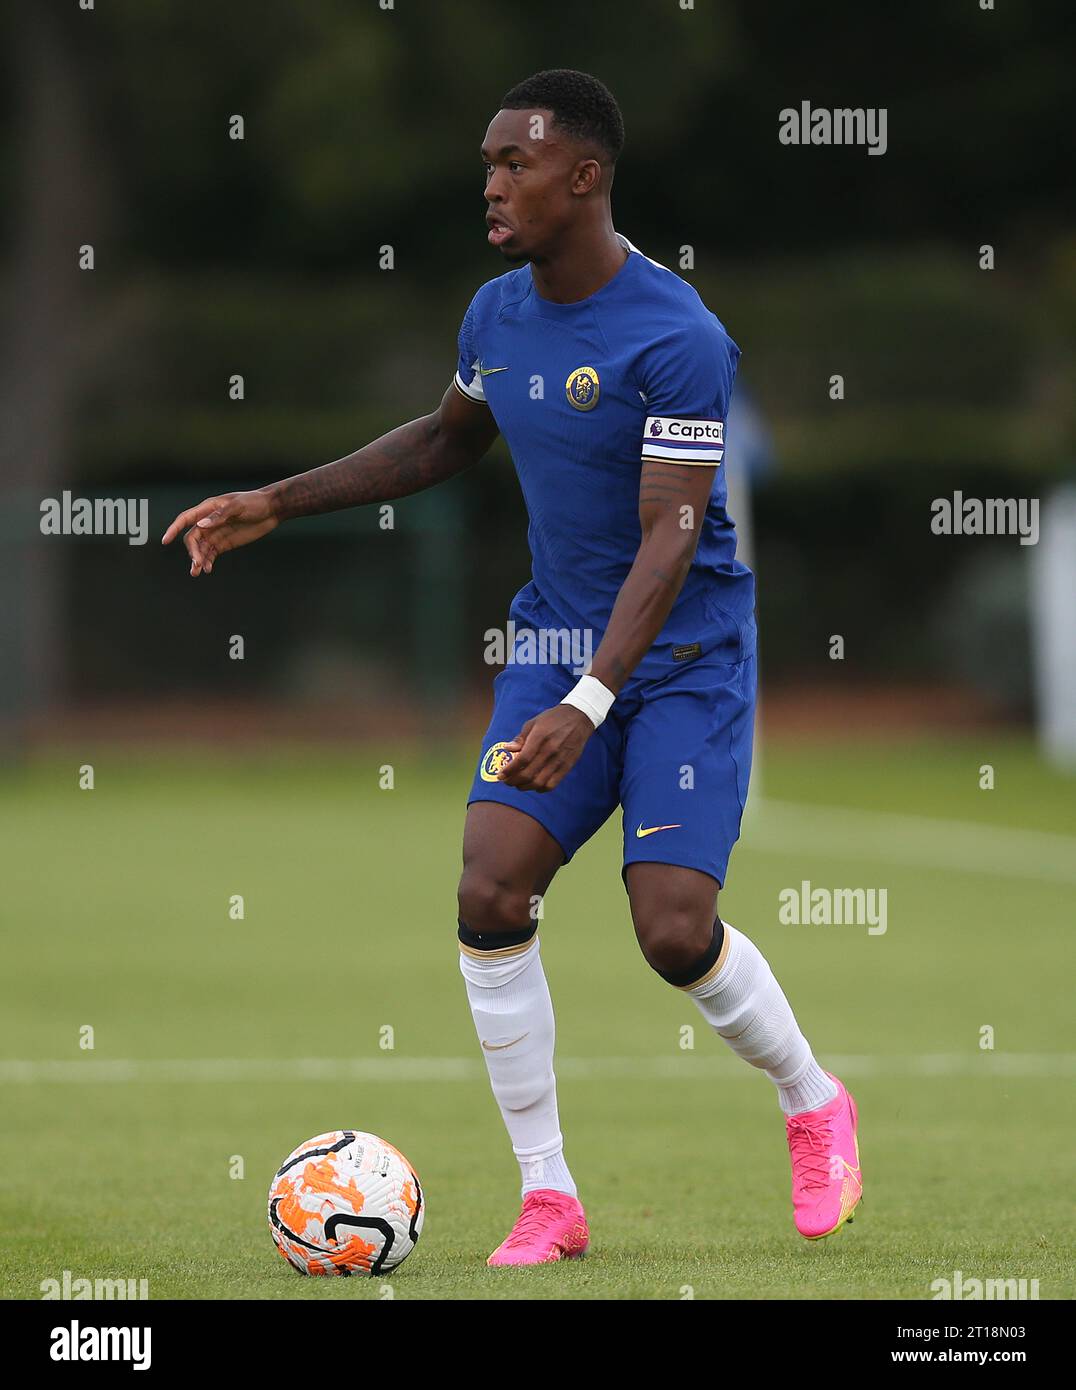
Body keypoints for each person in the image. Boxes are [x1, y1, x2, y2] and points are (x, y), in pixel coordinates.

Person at [163, 68, 863, 1268]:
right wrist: (277, 499)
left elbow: (669, 535)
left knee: (671, 929)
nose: (489, 185)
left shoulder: (677, 336)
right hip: (551, 645)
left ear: (582, 177)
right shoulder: (496, 314)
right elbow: (443, 438)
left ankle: (810, 1099)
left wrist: (593, 704)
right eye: (486, 164)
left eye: (513, 165)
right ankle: (548, 1196)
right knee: (489, 892)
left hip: (683, 660)